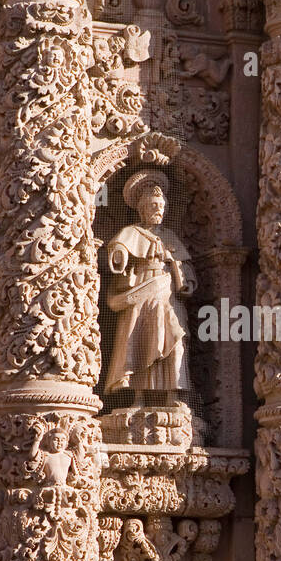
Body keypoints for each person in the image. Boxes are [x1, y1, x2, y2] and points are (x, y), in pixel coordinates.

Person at [101, 171, 196, 400]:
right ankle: (138, 398)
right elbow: (118, 251)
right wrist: (120, 254)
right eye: (153, 205)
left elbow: (185, 266)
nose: (158, 210)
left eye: (161, 206)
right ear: (142, 208)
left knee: (175, 337)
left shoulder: (170, 237)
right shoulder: (131, 233)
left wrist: (186, 278)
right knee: (139, 342)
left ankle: (173, 397)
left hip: (167, 292)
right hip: (142, 290)